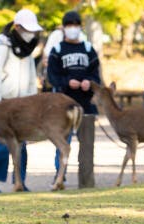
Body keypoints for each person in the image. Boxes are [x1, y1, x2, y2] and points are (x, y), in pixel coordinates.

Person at [0, 8, 42, 194]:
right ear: (16, 27)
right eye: (26, 29)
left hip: (21, 107)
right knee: (0, 146)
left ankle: (19, 181)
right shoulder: (2, 48)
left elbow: (32, 80)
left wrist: (33, 106)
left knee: (21, 147)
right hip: (0, 105)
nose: (30, 34)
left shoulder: (28, 52)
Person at [47, 10, 101, 182]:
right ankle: (60, 175)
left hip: (85, 103)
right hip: (63, 105)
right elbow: (52, 77)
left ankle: (86, 178)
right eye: (69, 25)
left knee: (86, 143)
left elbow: (96, 75)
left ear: (80, 27)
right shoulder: (57, 50)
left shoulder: (88, 49)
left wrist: (89, 82)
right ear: (64, 28)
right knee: (62, 141)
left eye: (75, 25)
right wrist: (66, 82)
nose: (72, 29)